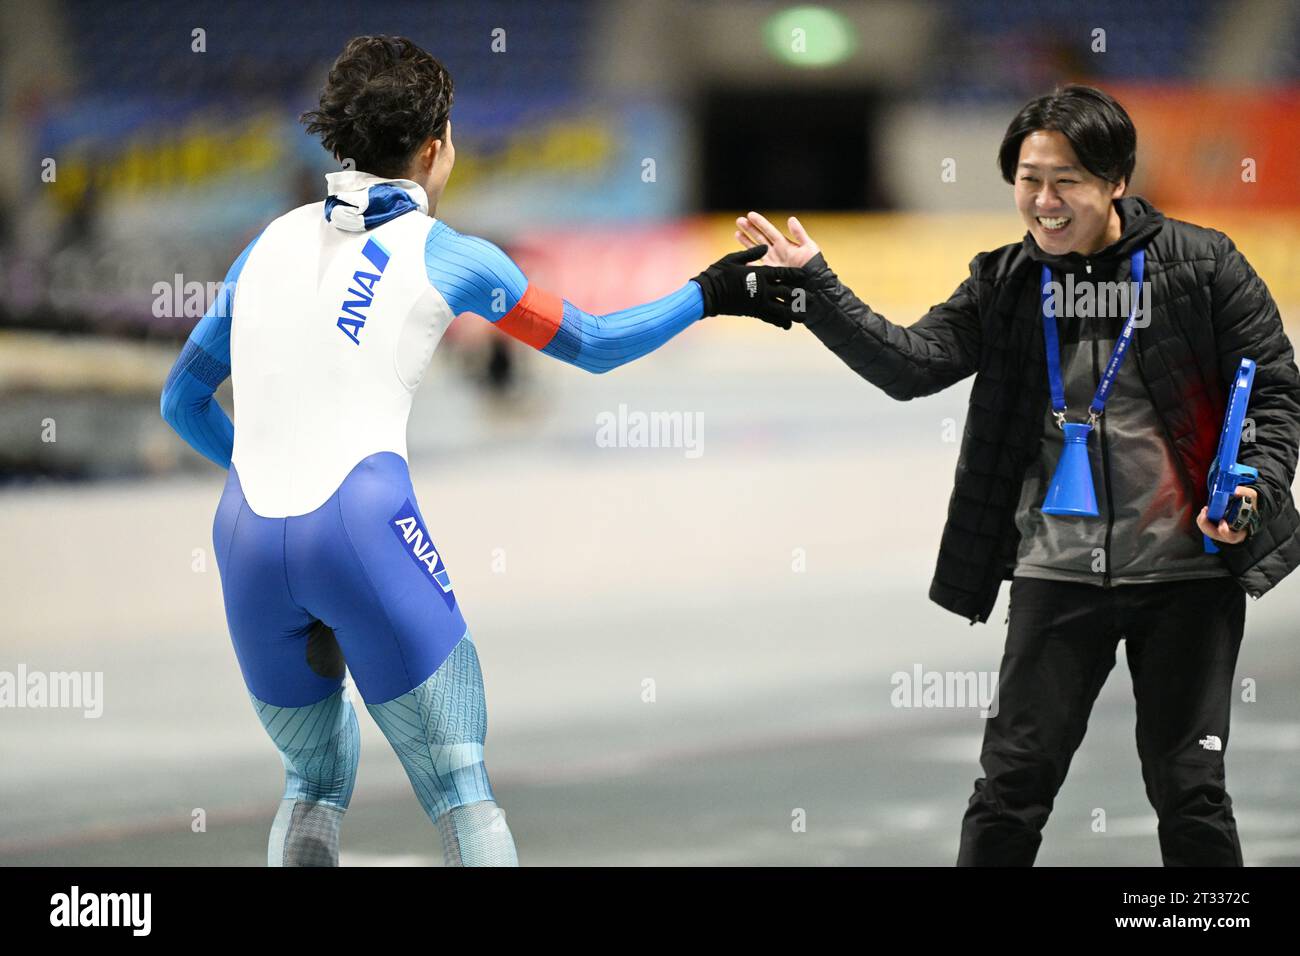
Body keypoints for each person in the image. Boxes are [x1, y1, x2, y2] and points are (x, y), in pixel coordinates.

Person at [159, 34, 763, 867]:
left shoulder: (263, 246)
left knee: (312, 781)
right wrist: (715, 291)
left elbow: (180, 399)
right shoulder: (453, 256)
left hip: (247, 539)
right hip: (363, 529)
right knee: (458, 791)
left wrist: (263, 475)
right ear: (436, 146)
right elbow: (592, 343)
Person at [715, 84, 1300, 865]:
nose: (1044, 201)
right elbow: (910, 365)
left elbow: (1272, 391)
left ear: (1116, 180)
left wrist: (1255, 487)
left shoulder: (1200, 265)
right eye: (1028, 179)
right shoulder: (1006, 283)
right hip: (1055, 573)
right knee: (1009, 790)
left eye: (1067, 181)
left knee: (1190, 791)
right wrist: (817, 290)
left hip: (1186, 577)